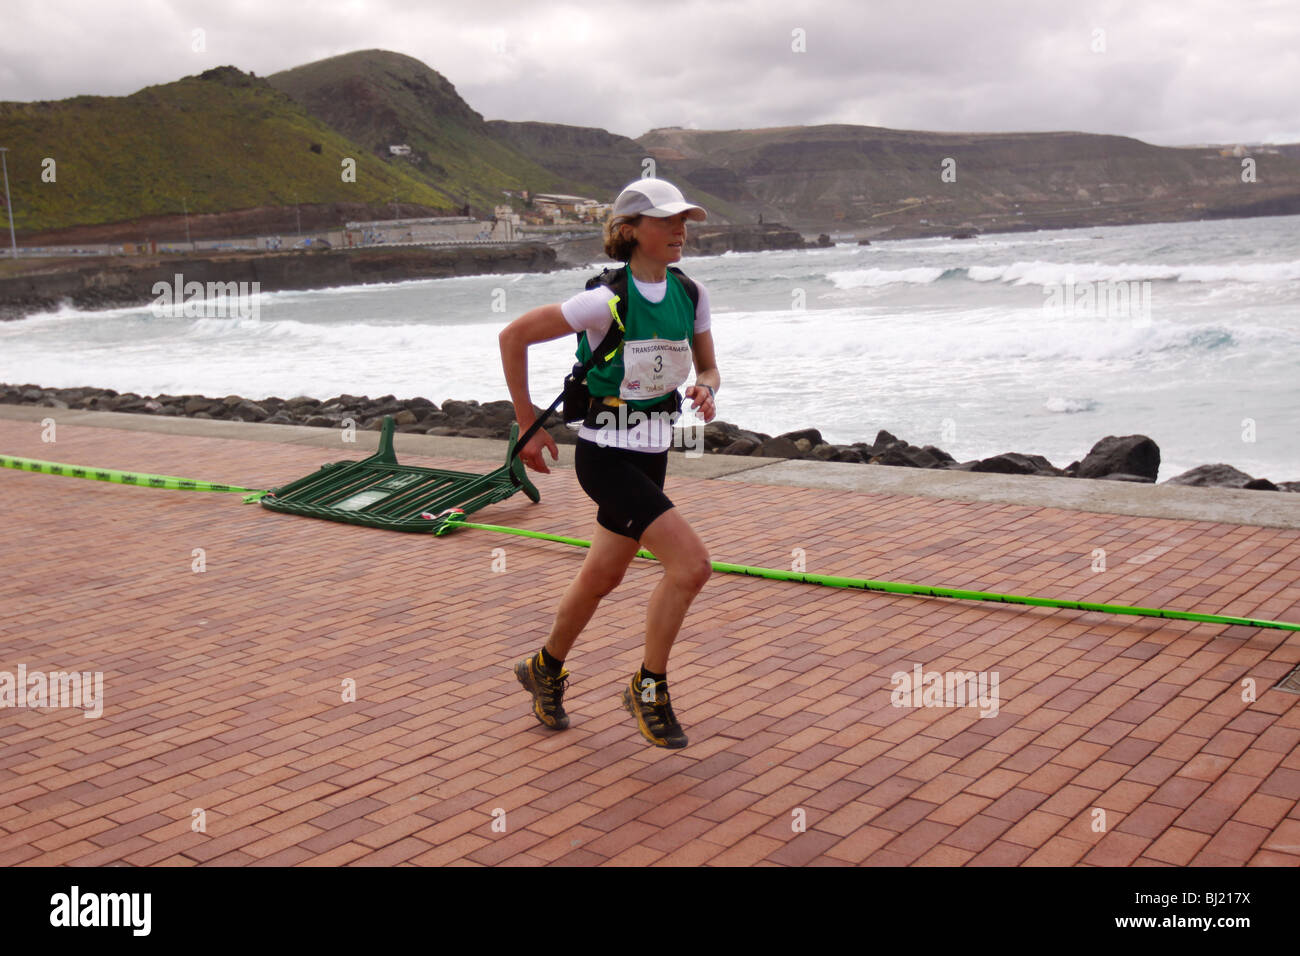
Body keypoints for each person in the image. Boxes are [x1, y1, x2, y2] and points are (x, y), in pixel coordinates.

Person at [498, 178, 720, 749]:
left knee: (603, 576)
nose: (680, 230)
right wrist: (527, 424)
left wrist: (706, 389)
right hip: (603, 454)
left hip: (654, 452)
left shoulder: (691, 294)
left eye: (684, 220)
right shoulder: (604, 300)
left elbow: (709, 368)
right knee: (691, 566)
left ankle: (543, 669)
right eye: (667, 220)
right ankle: (648, 688)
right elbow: (513, 335)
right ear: (629, 231)